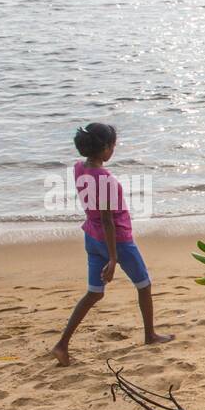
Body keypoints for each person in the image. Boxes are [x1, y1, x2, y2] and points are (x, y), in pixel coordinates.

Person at [51, 123, 173, 366]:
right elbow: (108, 220)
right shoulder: (105, 179)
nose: (113, 150)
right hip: (116, 240)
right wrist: (114, 258)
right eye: (113, 145)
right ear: (105, 148)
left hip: (91, 236)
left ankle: (62, 344)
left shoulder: (79, 168)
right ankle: (150, 335)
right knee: (144, 285)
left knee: (94, 293)